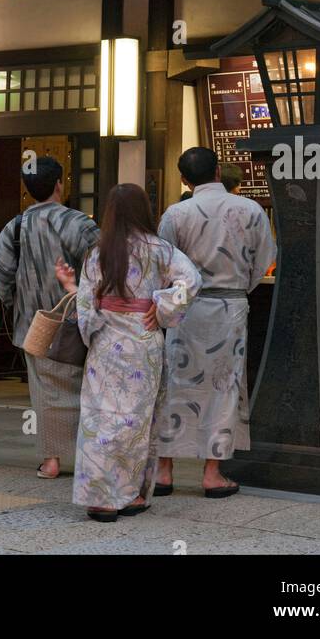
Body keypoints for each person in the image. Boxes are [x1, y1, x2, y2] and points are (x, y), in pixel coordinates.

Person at [57, 183, 201, 521]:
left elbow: (87, 301)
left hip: (107, 342)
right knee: (138, 419)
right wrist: (161, 308)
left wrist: (93, 324)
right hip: (144, 341)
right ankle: (133, 494)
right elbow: (191, 280)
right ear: (143, 210)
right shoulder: (160, 249)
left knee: (100, 416)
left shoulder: (100, 251)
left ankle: (101, 498)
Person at [156, 146, 276, 498]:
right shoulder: (251, 210)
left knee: (175, 384)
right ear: (219, 171)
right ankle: (212, 473)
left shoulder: (176, 214)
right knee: (224, 387)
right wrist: (239, 288)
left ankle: (164, 469)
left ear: (183, 179)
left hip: (185, 309)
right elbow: (265, 259)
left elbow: (162, 265)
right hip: (230, 308)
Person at [0, 154, 98, 479]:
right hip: (75, 321)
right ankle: (88, 455)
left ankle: (51, 460)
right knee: (83, 390)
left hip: (33, 324)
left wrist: (14, 300)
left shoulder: (17, 225)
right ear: (59, 185)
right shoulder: (81, 223)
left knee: (43, 393)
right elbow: (102, 266)